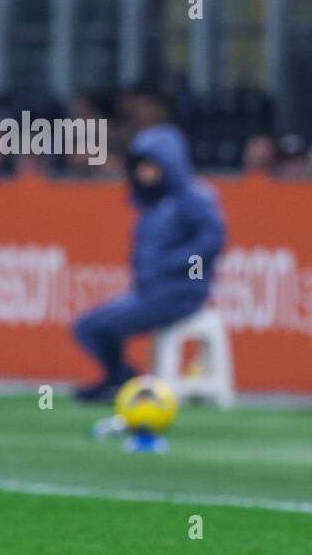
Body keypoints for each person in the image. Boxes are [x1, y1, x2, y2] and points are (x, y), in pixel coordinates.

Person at [72, 85, 226, 402]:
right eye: (140, 166)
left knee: (104, 326)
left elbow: (213, 239)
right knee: (87, 326)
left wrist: (176, 266)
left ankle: (124, 382)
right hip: (149, 291)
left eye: (151, 165)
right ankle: (123, 379)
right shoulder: (150, 204)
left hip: (180, 294)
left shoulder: (193, 197)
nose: (144, 173)